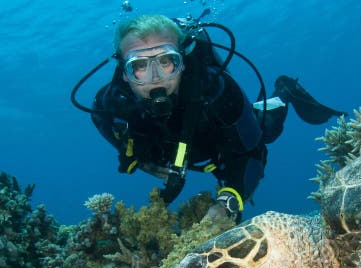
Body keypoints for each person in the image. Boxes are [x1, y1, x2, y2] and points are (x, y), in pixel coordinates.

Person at [90, 14, 343, 221]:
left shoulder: (218, 91)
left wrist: (228, 200)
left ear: (183, 62)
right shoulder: (110, 103)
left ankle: (283, 93)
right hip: (180, 149)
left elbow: (253, 152)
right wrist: (136, 157)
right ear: (124, 73)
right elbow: (101, 121)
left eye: (166, 61)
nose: (155, 77)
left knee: (267, 131)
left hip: (218, 141)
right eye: (139, 65)